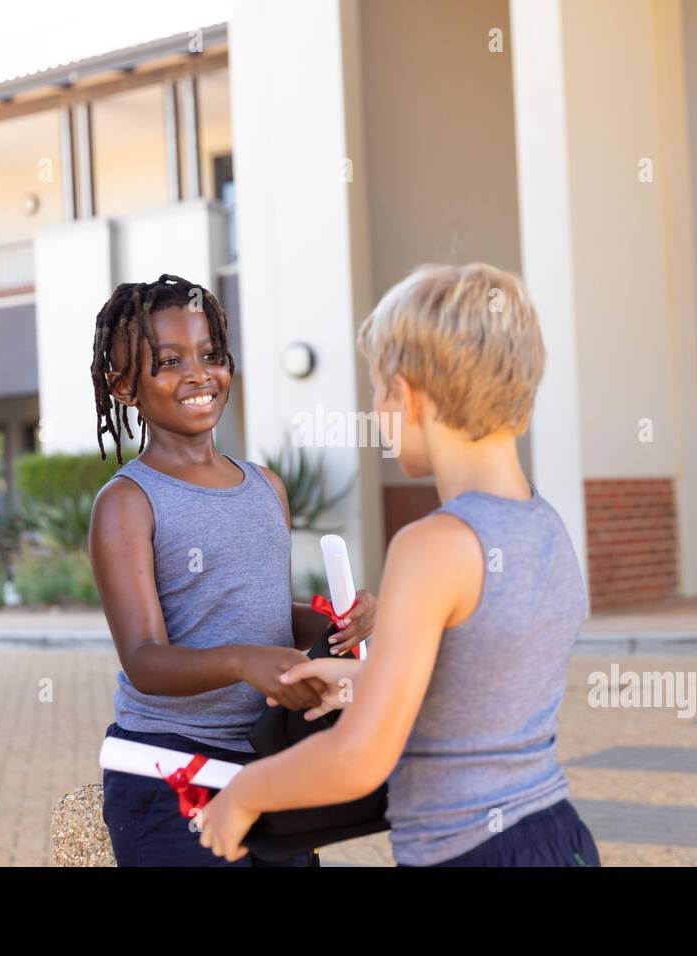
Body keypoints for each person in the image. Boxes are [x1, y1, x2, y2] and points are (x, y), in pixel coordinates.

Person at [197, 263, 600, 867]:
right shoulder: (547, 525)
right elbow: (486, 686)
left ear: (407, 395)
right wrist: (362, 681)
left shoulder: (432, 544)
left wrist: (242, 794)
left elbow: (360, 759)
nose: (378, 408)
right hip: (555, 837)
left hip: (466, 851)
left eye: (378, 390)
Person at [87, 274, 376, 866]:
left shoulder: (266, 485)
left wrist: (338, 620)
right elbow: (144, 659)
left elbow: (266, 613)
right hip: (170, 776)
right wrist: (244, 662)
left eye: (211, 355)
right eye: (168, 362)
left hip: (270, 766)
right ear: (124, 386)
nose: (199, 374)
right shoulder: (127, 502)